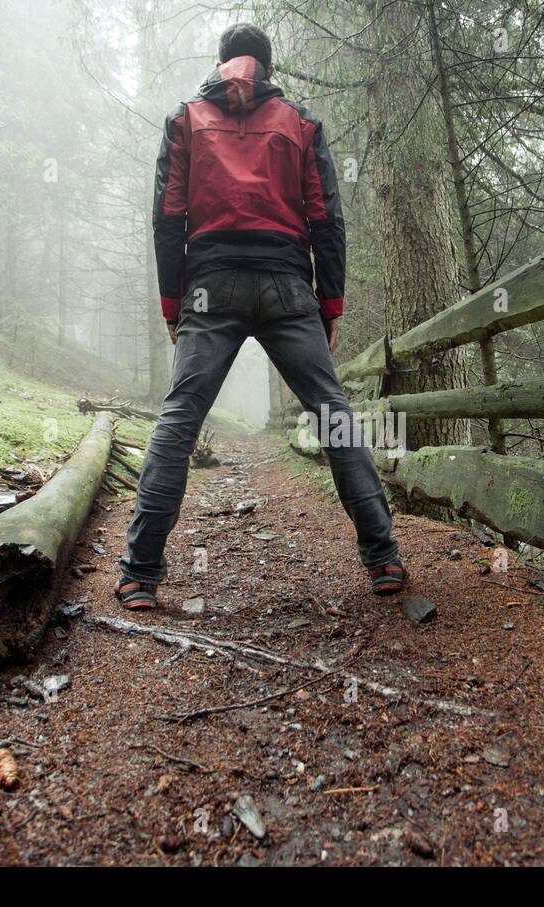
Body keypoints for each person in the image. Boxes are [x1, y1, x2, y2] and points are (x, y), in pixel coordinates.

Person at [115, 23, 404, 611]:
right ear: (268, 69)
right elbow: (326, 220)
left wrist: (174, 304)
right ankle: (384, 559)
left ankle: (141, 573)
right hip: (287, 285)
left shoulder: (184, 121)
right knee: (334, 415)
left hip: (209, 285)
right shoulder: (300, 125)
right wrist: (331, 306)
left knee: (179, 420)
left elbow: (168, 220)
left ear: (222, 64)